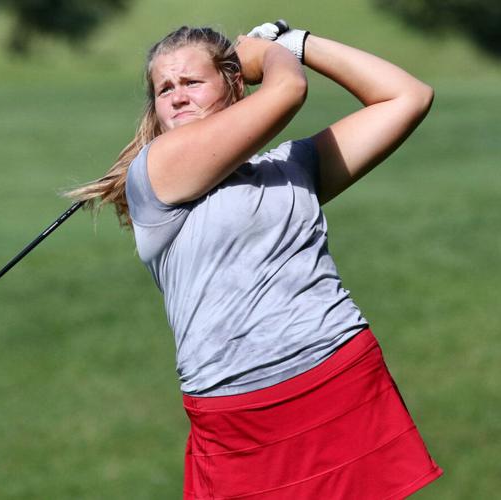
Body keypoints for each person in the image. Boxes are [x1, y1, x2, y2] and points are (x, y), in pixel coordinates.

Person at [68, 20, 441, 499]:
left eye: (192, 82)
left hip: (337, 378)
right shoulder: (156, 171)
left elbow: (407, 96)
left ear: (233, 84)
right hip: (238, 415)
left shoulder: (292, 169)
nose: (178, 96)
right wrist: (269, 55)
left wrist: (299, 43)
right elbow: (289, 90)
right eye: (165, 89)